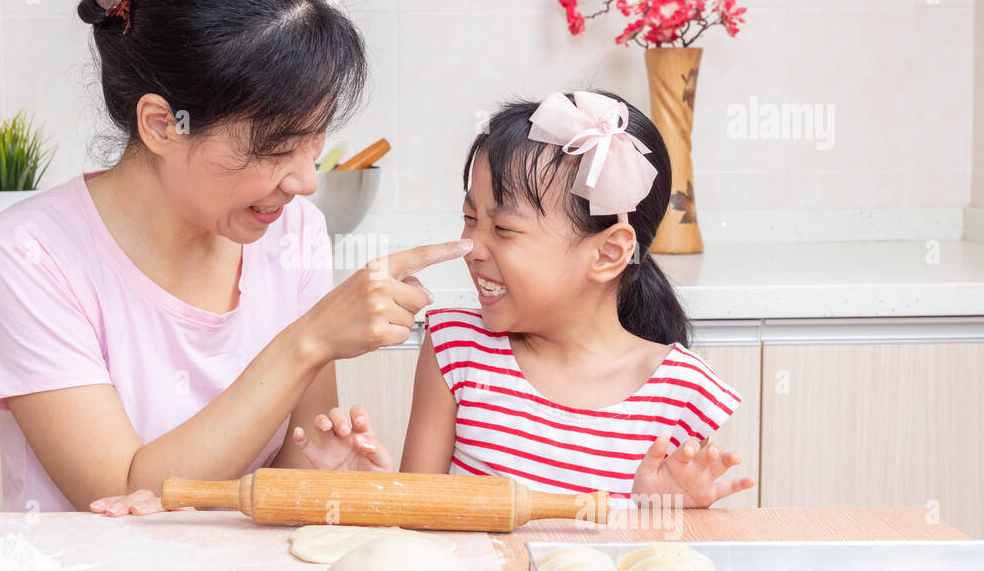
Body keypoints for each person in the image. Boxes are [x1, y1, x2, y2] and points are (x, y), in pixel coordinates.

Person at [0, 0, 467, 514]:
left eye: (315, 139)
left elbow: (291, 470)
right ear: (161, 125)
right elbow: (119, 495)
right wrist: (307, 341)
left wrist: (331, 475)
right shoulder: (27, 256)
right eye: (277, 145)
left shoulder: (293, 230)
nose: (306, 179)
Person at [290, 90, 754, 509]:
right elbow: (421, 525)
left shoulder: (683, 392)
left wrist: (662, 513)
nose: (472, 247)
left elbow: (661, 570)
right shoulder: (456, 348)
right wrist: (372, 491)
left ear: (609, 252)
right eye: (470, 218)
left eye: (505, 229)